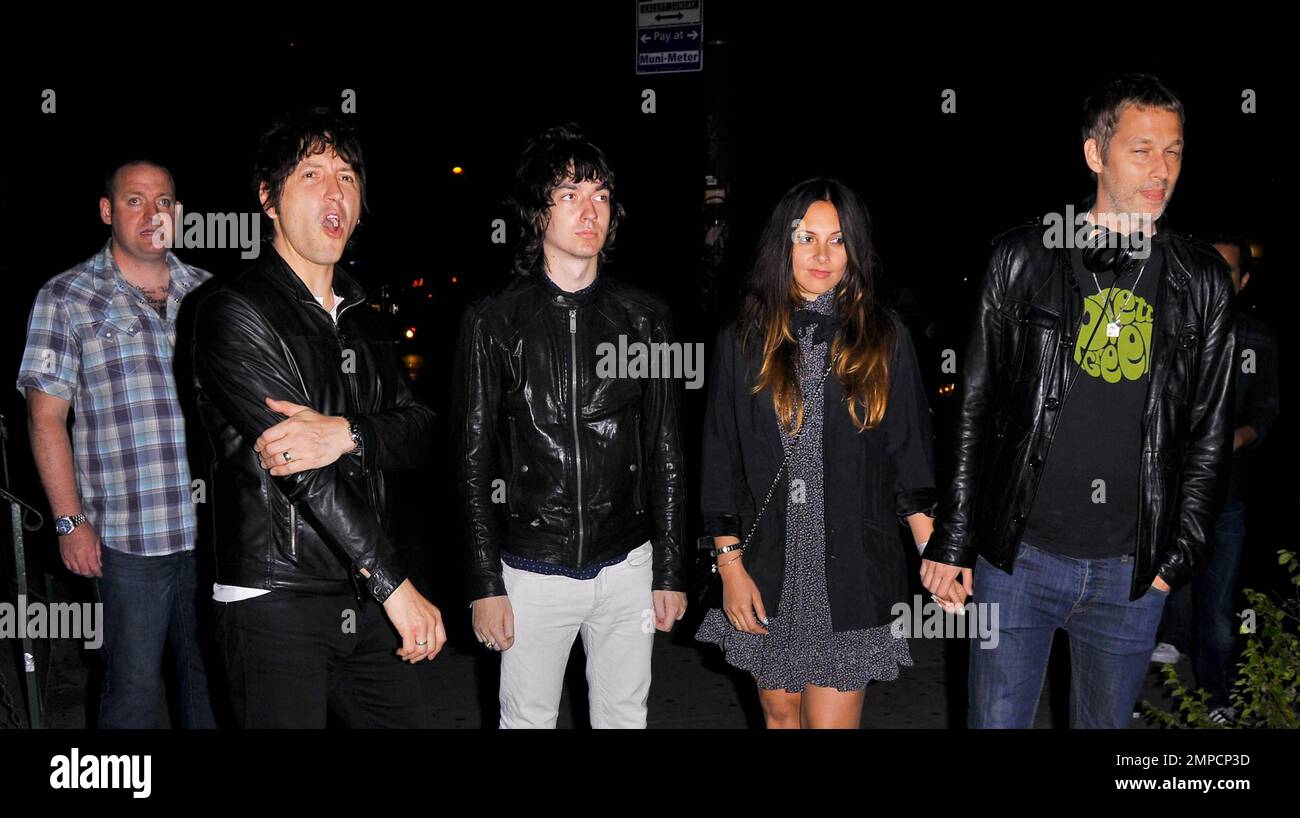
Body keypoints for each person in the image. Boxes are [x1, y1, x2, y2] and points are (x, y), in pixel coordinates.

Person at [922, 74, 1237, 728]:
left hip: (1131, 573)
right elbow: (973, 409)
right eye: (1141, 150)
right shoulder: (1022, 259)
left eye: (1174, 151)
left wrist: (1176, 558)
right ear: (1095, 154)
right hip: (1018, 560)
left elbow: (1208, 433)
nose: (1162, 170)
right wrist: (952, 542)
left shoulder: (1201, 279)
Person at [192, 108, 444, 728]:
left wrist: (349, 433)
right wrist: (396, 585)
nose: (335, 191)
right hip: (275, 597)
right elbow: (299, 470)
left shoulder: (366, 315)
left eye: (348, 176)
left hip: (360, 591)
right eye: (312, 174)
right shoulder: (234, 312)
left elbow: (421, 431)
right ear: (267, 199)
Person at [453, 123, 688, 728]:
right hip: (531, 571)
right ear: (538, 214)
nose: (591, 211)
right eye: (570, 195)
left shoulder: (646, 318)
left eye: (602, 195)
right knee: (527, 720)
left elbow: (665, 448)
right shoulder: (495, 321)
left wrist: (669, 569)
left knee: (624, 717)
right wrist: (485, 582)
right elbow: (472, 459)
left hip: (628, 565)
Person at [695, 177, 939, 729]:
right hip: (767, 569)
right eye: (805, 239)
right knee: (780, 717)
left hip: (852, 569)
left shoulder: (884, 337)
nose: (822, 255)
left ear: (854, 248)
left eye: (836, 240)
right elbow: (719, 463)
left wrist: (934, 553)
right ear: (782, 246)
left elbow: (910, 458)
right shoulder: (743, 340)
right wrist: (730, 568)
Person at [17, 159, 216, 728]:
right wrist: (67, 521)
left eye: (165, 201)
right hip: (127, 542)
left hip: (212, 534)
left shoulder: (208, 294)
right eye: (135, 200)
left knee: (210, 684)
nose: (153, 214)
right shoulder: (66, 297)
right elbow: (46, 420)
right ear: (108, 211)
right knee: (130, 694)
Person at [1154, 234, 1279, 725]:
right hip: (1168, 490)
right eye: (1207, 267)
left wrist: (1235, 439)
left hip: (1225, 494)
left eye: (1226, 270)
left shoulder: (1258, 339)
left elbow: (1268, 412)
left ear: (1242, 280)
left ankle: (1217, 697)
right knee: (1158, 593)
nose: (1216, 278)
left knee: (1220, 611)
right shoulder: (1169, 327)